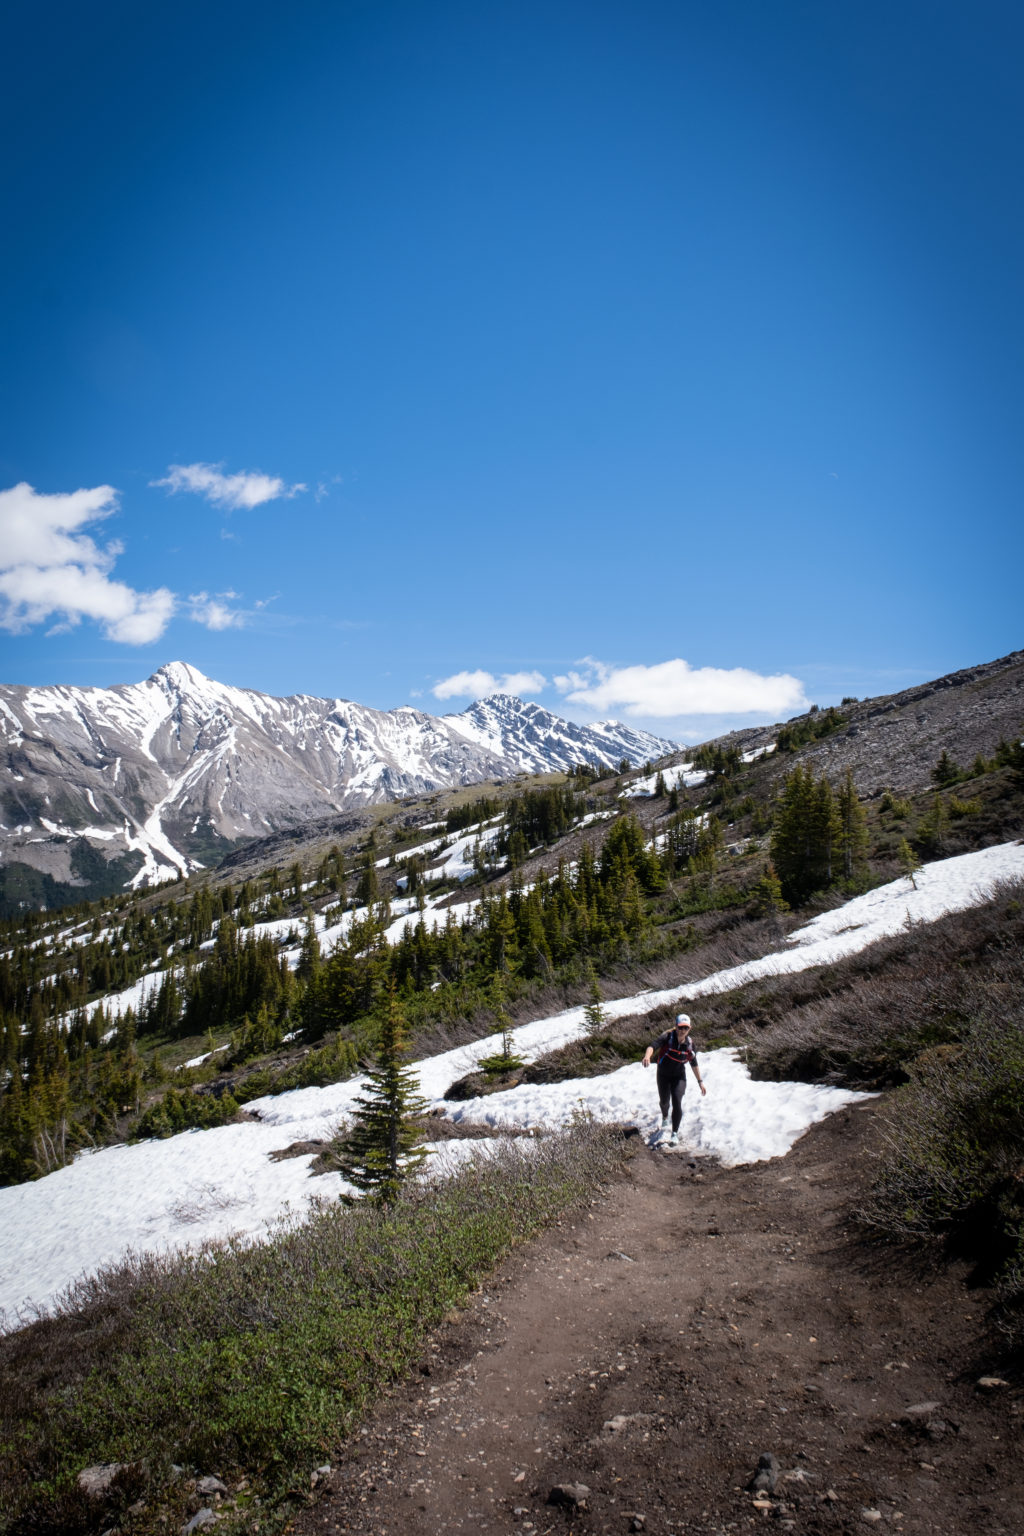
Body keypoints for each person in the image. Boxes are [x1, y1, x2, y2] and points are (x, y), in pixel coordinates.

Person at [642, 1012, 706, 1145]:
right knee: (664, 1101)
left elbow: (694, 1063)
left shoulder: (690, 1044)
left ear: (690, 1029)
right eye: (680, 1027)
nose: (683, 1031)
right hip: (663, 1075)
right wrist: (647, 1056)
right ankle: (665, 1116)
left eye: (686, 1028)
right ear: (676, 1026)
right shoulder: (667, 1037)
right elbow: (652, 1046)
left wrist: (700, 1082)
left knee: (677, 1101)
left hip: (679, 1076)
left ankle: (674, 1133)